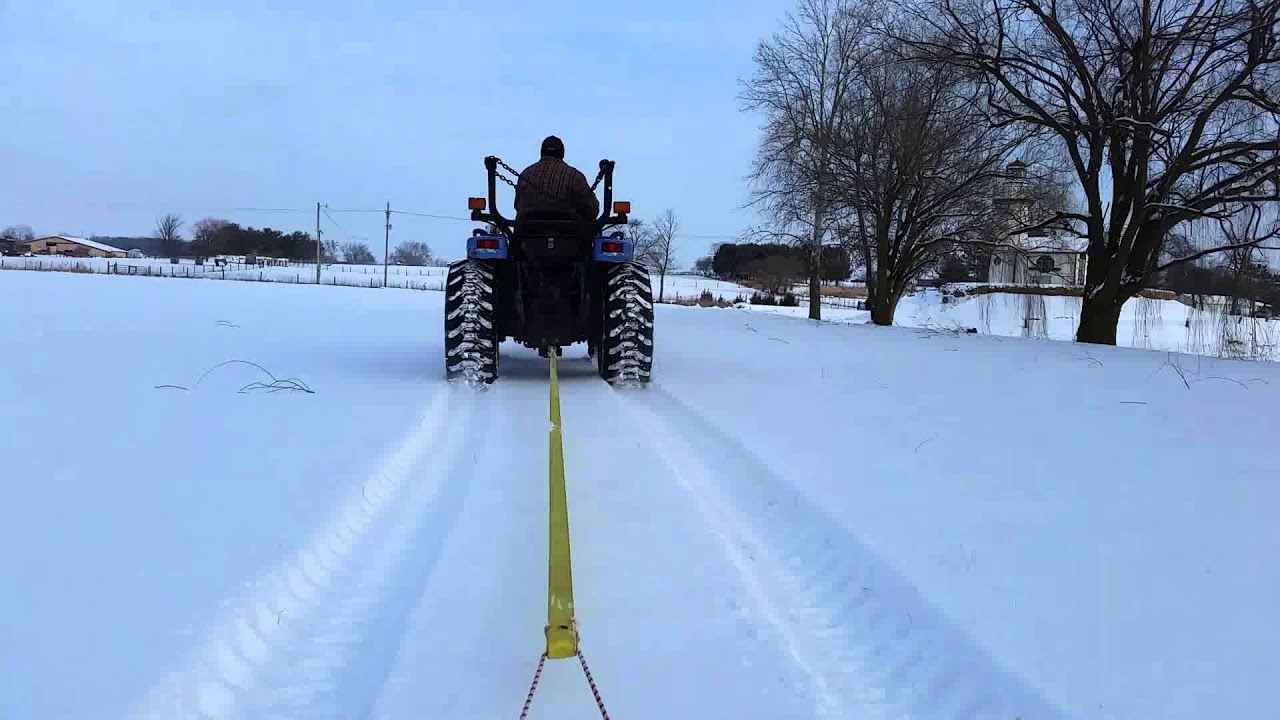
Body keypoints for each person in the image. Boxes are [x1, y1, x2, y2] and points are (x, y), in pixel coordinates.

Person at [514, 135, 600, 222]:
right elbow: (592, 209)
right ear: (562, 153)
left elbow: (517, 205)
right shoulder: (574, 176)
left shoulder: (525, 174)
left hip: (527, 232)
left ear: (541, 152)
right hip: (568, 232)